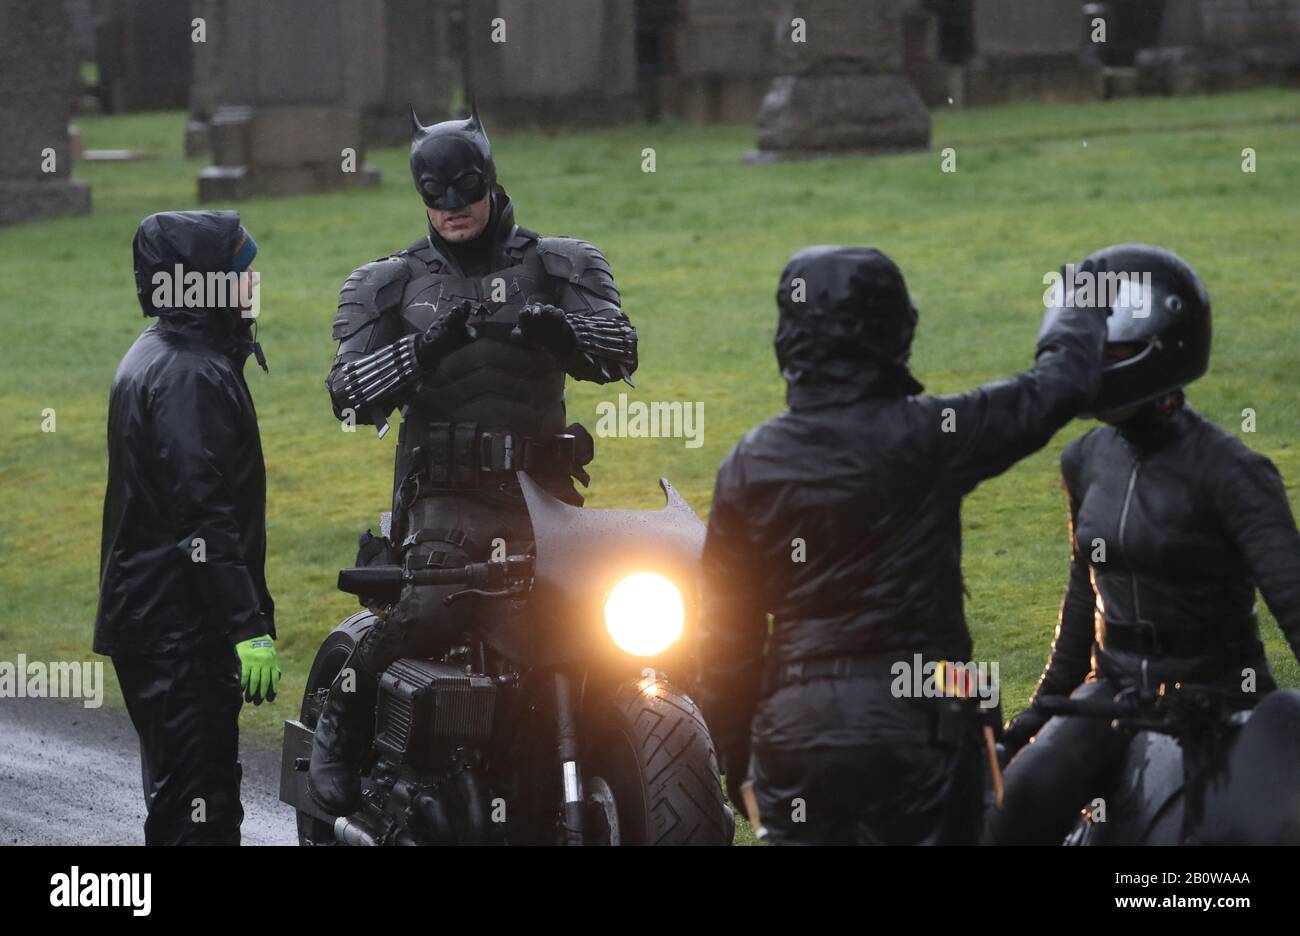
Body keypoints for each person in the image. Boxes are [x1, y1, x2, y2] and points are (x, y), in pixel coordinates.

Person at [696, 245, 1107, 844]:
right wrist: (1083, 296)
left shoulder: (748, 464)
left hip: (796, 729)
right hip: (918, 725)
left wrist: (742, 755)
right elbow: (1054, 388)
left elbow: (723, 636)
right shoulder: (929, 435)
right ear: (894, 329)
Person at [307, 106, 637, 815]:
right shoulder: (388, 284)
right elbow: (345, 396)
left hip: (546, 501)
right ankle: (342, 719)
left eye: (466, 191)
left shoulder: (560, 265)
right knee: (426, 612)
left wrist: (566, 333)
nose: (453, 210)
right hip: (445, 505)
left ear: (490, 181)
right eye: (436, 196)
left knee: (609, 633)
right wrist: (418, 351)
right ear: (420, 194)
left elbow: (620, 349)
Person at [989, 244, 1300, 844]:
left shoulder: (1233, 470)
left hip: (1217, 701)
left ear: (1166, 345)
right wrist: (1035, 716)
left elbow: (1293, 596)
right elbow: (1086, 601)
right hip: (1110, 697)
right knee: (1010, 811)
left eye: (1114, 348)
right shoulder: (1084, 459)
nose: (1092, 362)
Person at [95, 209, 280, 845]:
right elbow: (202, 519)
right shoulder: (189, 375)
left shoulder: (167, 354)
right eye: (239, 273)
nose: (252, 285)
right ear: (199, 284)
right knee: (197, 813)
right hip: (178, 630)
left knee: (189, 800)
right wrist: (247, 627)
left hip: (161, 619)